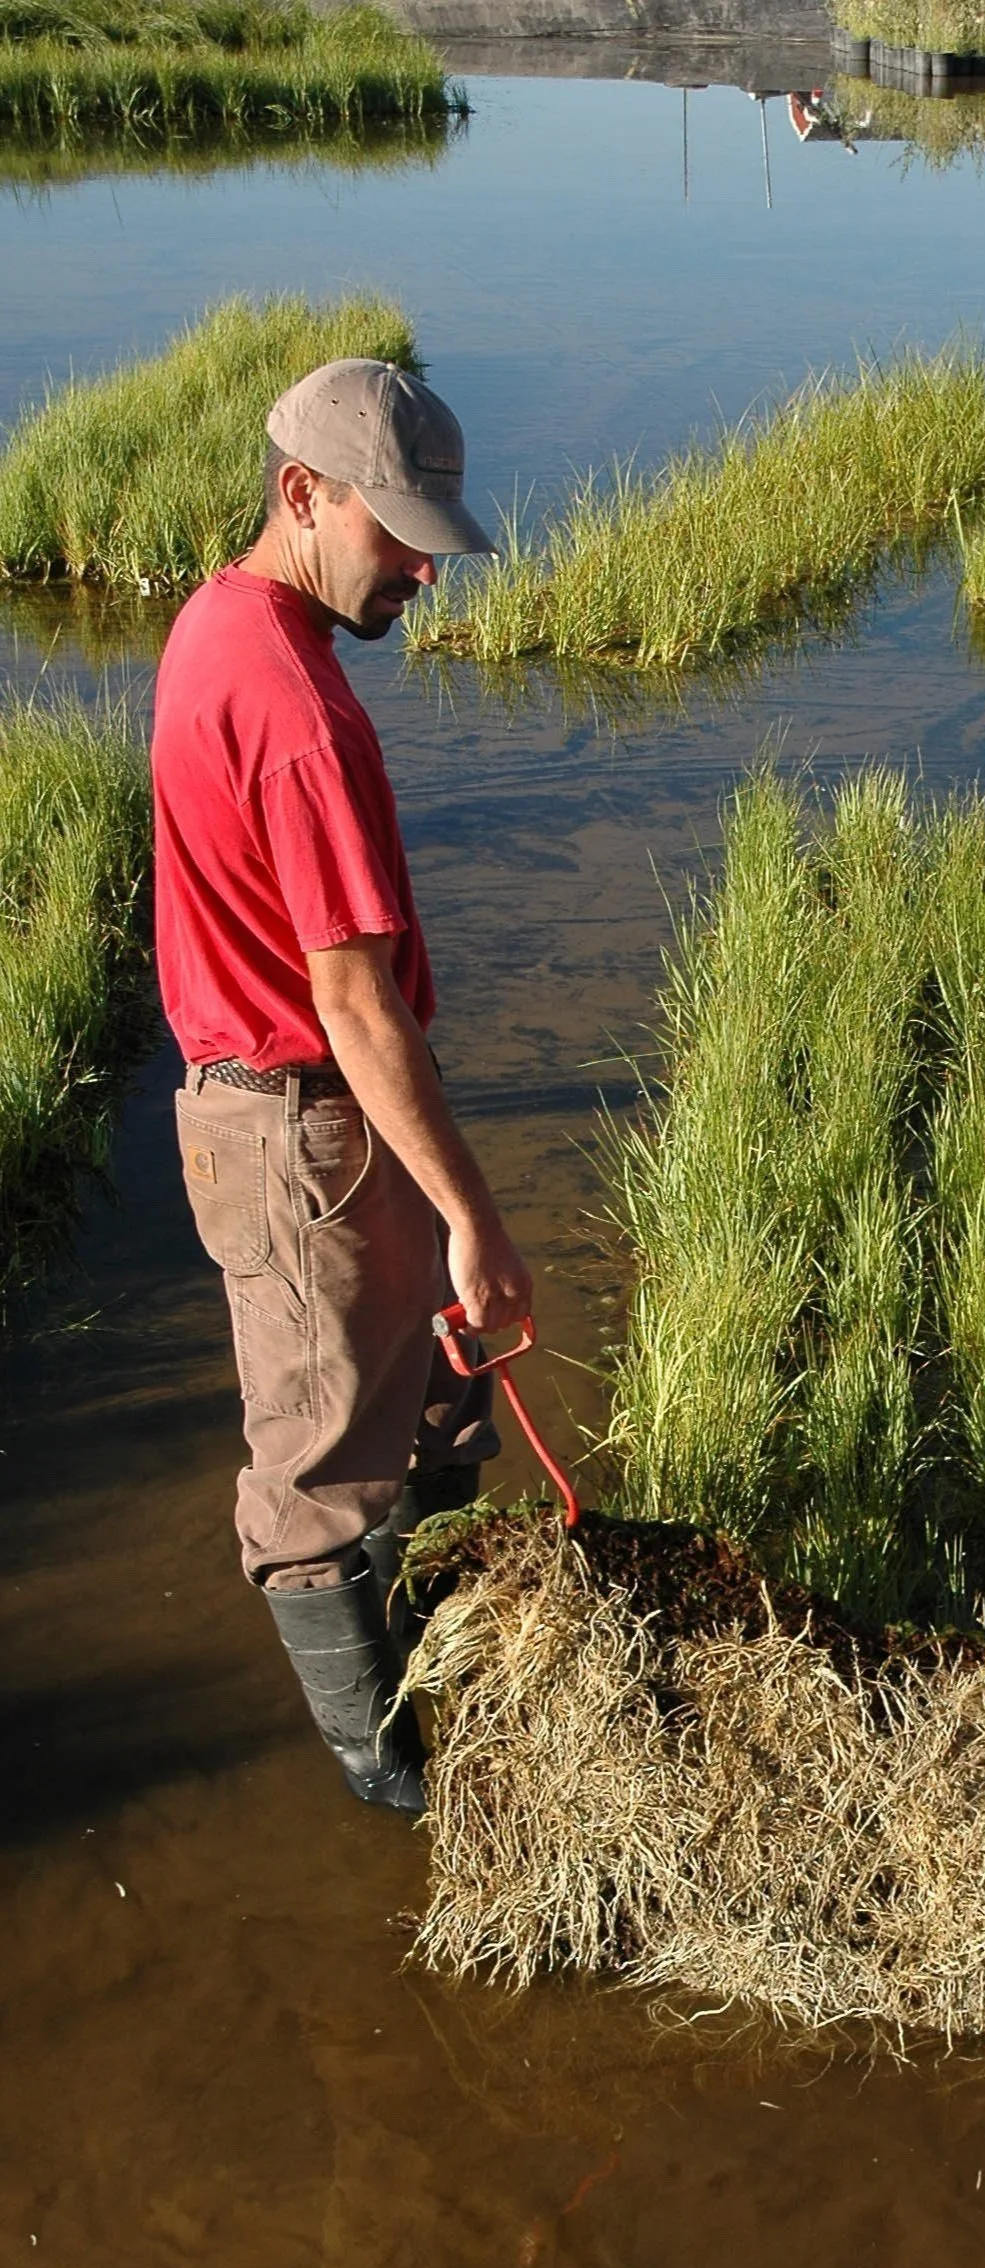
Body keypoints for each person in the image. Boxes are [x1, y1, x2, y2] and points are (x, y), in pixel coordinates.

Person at [152, 359, 532, 1816]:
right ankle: (395, 1786)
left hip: (303, 1116)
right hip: (299, 1123)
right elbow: (353, 1001)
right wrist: (475, 1218)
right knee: (317, 1490)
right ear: (301, 494)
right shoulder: (299, 712)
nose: (424, 577)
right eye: (399, 540)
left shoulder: (216, 626)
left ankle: (441, 1671)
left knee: (434, 1400)